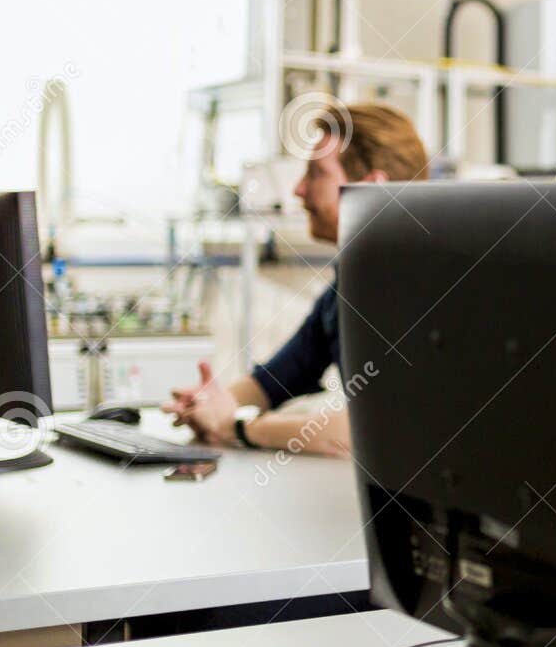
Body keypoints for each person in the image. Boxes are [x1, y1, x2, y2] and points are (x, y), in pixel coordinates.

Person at [162, 102, 429, 456]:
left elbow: (365, 430)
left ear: (372, 189)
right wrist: (212, 403)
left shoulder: (414, 291)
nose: (299, 190)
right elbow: (276, 380)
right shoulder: (347, 289)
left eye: (316, 173)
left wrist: (238, 427)